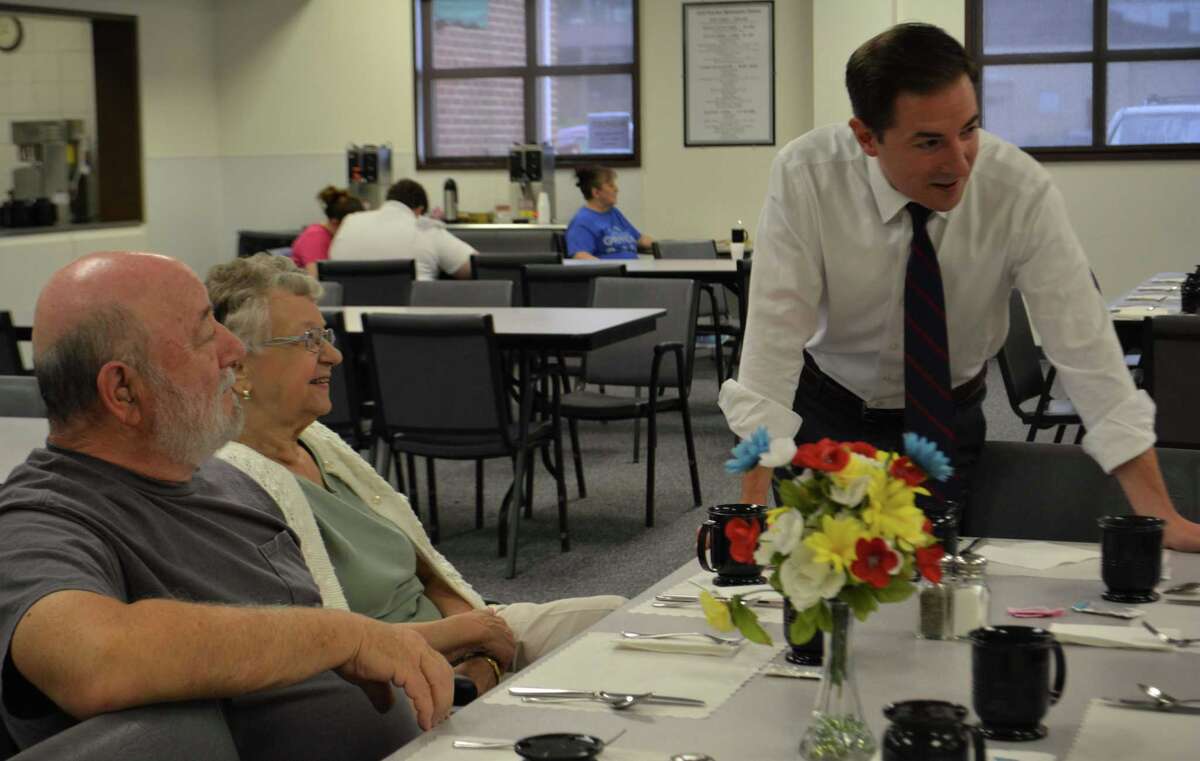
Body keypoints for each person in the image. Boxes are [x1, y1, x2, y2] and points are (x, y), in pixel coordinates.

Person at [719, 23, 1200, 551]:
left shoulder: (1018, 190)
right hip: (830, 411)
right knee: (820, 593)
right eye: (929, 142)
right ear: (866, 137)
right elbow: (774, 338)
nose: (959, 161)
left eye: (969, 129)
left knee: (932, 587)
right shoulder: (809, 175)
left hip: (944, 417)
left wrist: (1162, 516)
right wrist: (748, 509)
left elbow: (1089, 356)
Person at [0, 252, 455, 760]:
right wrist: (340, 635)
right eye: (203, 334)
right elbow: (91, 659)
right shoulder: (43, 520)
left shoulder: (226, 479)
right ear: (124, 391)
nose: (236, 348)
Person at [205, 254, 624, 694]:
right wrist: (469, 642)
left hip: (457, 640)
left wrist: (478, 645)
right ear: (240, 365)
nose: (334, 354)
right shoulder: (235, 482)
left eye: (324, 334)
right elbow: (327, 648)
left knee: (620, 620)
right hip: (398, 679)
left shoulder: (319, 443)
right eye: (309, 340)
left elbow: (429, 573)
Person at [328, 179, 475, 280]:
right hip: (408, 322)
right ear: (419, 210)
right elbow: (474, 268)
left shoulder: (350, 222)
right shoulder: (424, 228)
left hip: (349, 321)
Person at [565, 166, 652, 260]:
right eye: (611, 185)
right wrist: (608, 269)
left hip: (635, 270)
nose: (616, 189)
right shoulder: (582, 222)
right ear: (596, 193)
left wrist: (663, 246)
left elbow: (640, 239)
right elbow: (580, 256)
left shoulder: (614, 213)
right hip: (612, 273)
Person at [291, 185, 364, 277]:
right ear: (335, 222)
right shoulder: (315, 237)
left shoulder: (335, 237)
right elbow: (316, 280)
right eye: (352, 225)